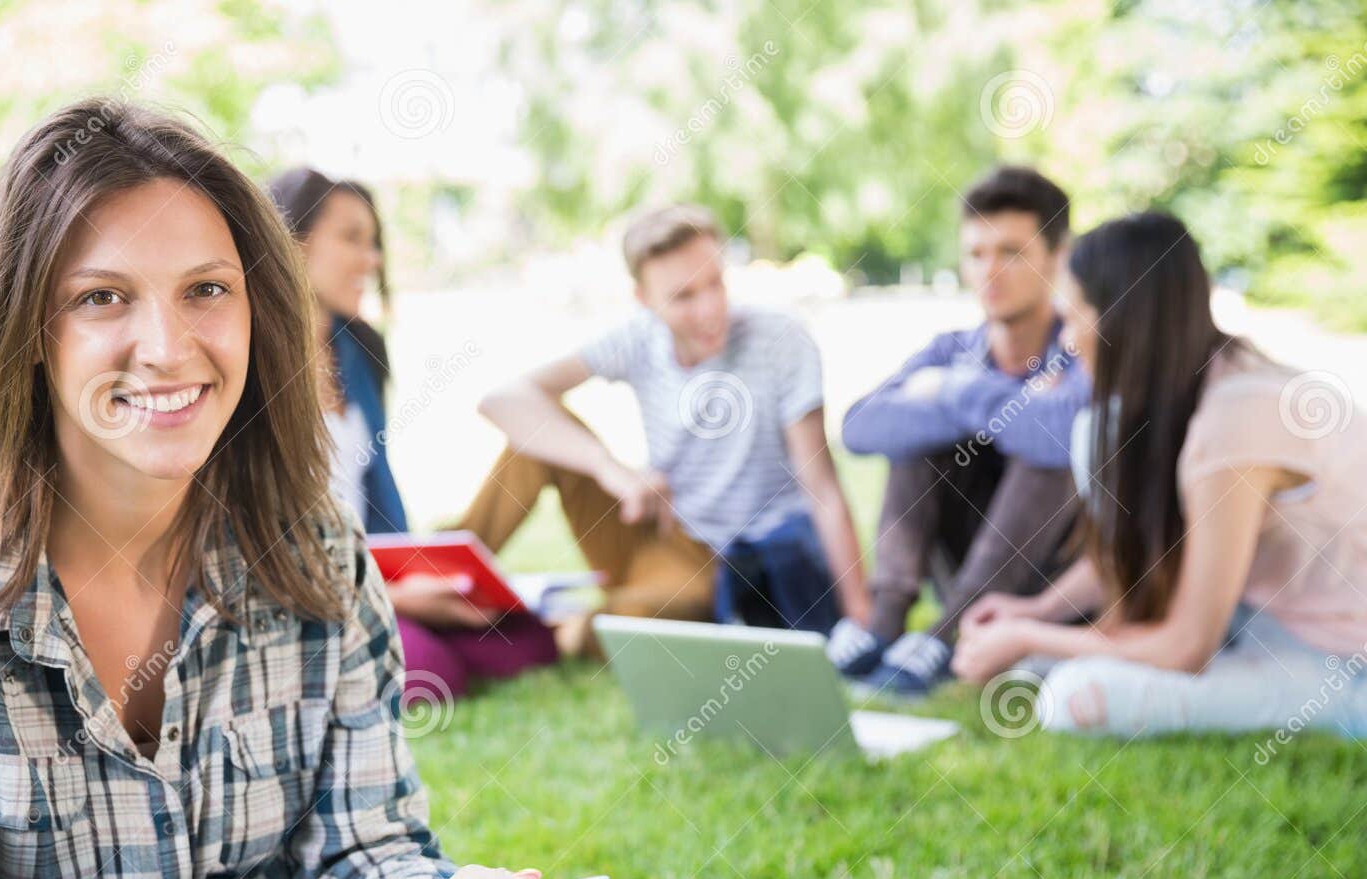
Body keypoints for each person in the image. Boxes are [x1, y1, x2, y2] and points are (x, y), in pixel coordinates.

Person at [0, 101, 704, 879]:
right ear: (30, 329)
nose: (169, 346)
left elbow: (365, 848)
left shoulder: (314, 549)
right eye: (102, 297)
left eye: (206, 290)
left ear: (258, 308)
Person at [952, 210, 1367, 738]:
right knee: (1094, 431)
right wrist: (1039, 610)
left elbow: (1187, 646)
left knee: (1075, 698)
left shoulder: (1236, 421)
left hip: (1344, 669)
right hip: (1264, 628)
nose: (1070, 342)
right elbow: (1169, 542)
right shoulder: (1202, 384)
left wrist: (1029, 637)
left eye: (1076, 316)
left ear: (1123, 321)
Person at [466, 204, 869, 655]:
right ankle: (439, 579)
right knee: (535, 442)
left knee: (647, 617)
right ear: (644, 298)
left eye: (716, 283)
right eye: (683, 296)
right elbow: (501, 399)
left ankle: (552, 630)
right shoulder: (638, 339)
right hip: (646, 521)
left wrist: (861, 618)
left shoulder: (781, 342)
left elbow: (824, 489)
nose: (710, 308)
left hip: (713, 561)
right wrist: (610, 469)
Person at [270, 168, 556, 701]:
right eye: (352, 238)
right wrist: (392, 599)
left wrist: (410, 576)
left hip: (375, 566)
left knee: (527, 641)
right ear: (292, 240)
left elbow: (377, 492)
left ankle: (406, 627)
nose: (373, 259)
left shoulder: (358, 350)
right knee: (431, 672)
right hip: (299, 587)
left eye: (374, 241)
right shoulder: (250, 362)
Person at [833, 167, 1089, 694]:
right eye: (976, 254)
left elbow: (1061, 435)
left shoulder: (1087, 348)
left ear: (1059, 258)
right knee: (913, 436)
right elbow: (860, 428)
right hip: (962, 561)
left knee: (1046, 450)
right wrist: (989, 399)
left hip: (1060, 583)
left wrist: (952, 393)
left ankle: (950, 637)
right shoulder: (951, 351)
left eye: (1012, 253)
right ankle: (885, 622)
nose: (990, 272)